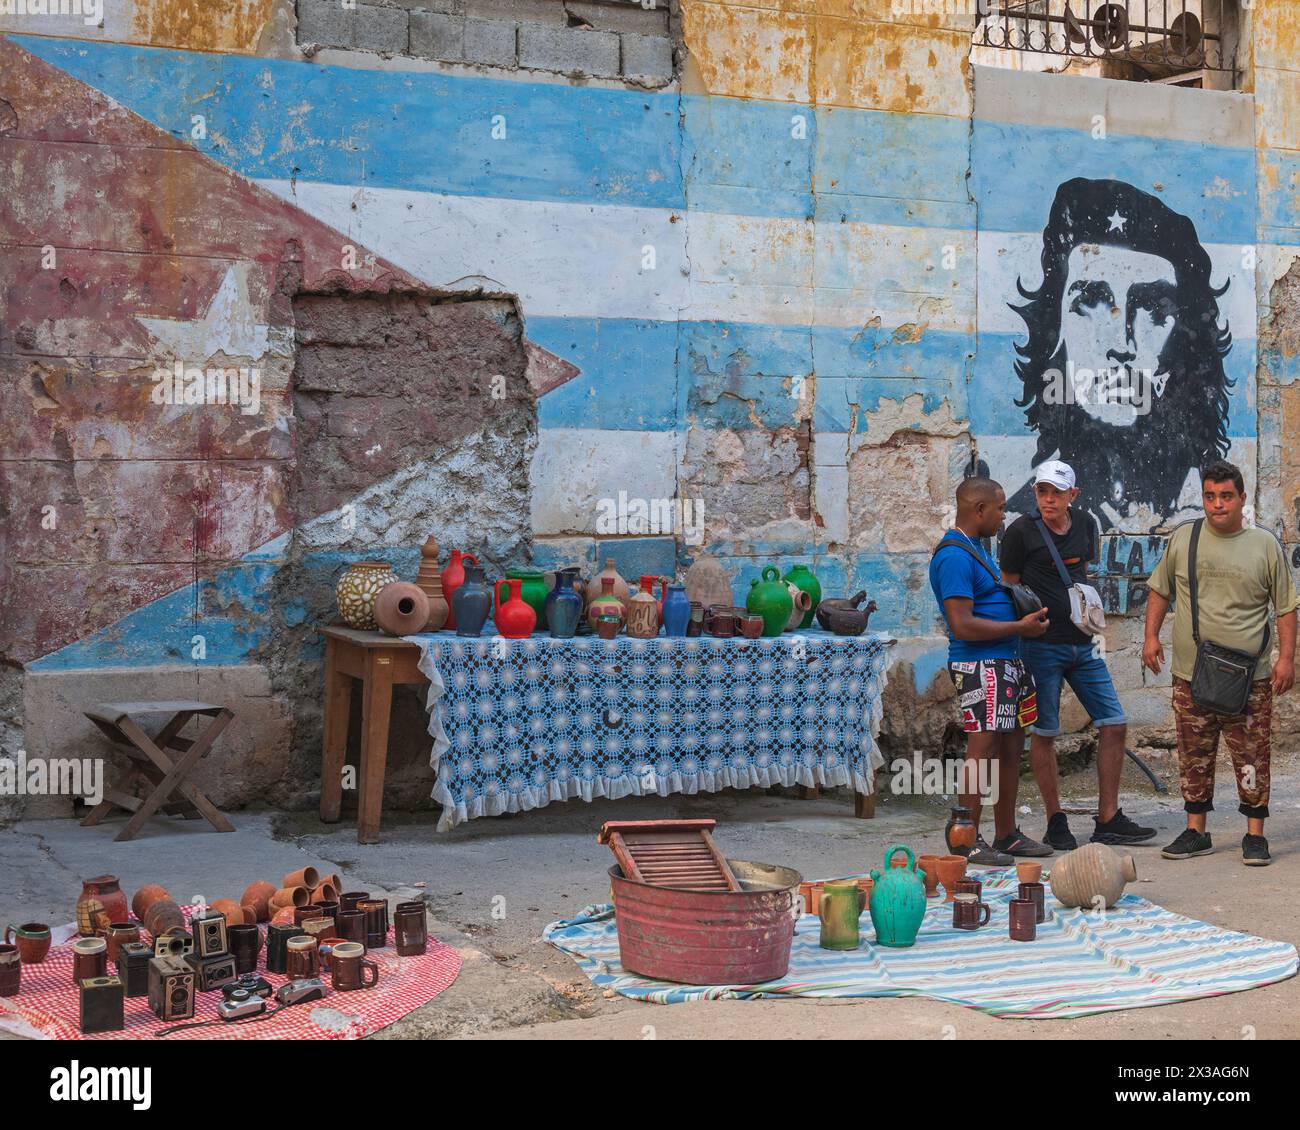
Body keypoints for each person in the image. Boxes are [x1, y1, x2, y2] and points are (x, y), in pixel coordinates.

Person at [1006, 177, 1234, 533]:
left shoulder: (1214, 516)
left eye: (1153, 308)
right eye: (1091, 301)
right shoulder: (1019, 522)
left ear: (1186, 343)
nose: (1122, 344)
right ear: (1054, 334)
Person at [1142, 460, 1297, 866]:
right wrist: (1150, 637)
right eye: (1210, 496)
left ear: (1241, 499)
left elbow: (1285, 609)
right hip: (1192, 673)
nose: (1217, 505)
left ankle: (1254, 835)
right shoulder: (1185, 538)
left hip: (1250, 677)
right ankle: (1196, 830)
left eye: (1225, 496)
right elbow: (1160, 589)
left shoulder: (1264, 544)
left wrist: (1286, 660)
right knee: (1194, 753)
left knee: (1251, 756)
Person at [1000, 460, 1156, 850]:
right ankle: (1055, 821)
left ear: (1073, 495)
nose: (1048, 499)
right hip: (1040, 647)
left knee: (1114, 722)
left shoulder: (1086, 524)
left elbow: (1082, 571)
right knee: (1046, 733)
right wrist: (1022, 631)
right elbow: (1010, 589)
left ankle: (1108, 818)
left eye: (1056, 492)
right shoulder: (1020, 533)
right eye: (1041, 491)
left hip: (1083, 645)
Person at [929, 477, 1053, 866]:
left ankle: (1006, 834)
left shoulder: (975, 549)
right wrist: (1020, 627)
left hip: (1004, 662)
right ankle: (963, 838)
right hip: (980, 664)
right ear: (979, 509)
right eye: (999, 508)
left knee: (1010, 747)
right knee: (981, 748)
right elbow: (962, 625)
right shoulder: (953, 556)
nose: (1004, 516)